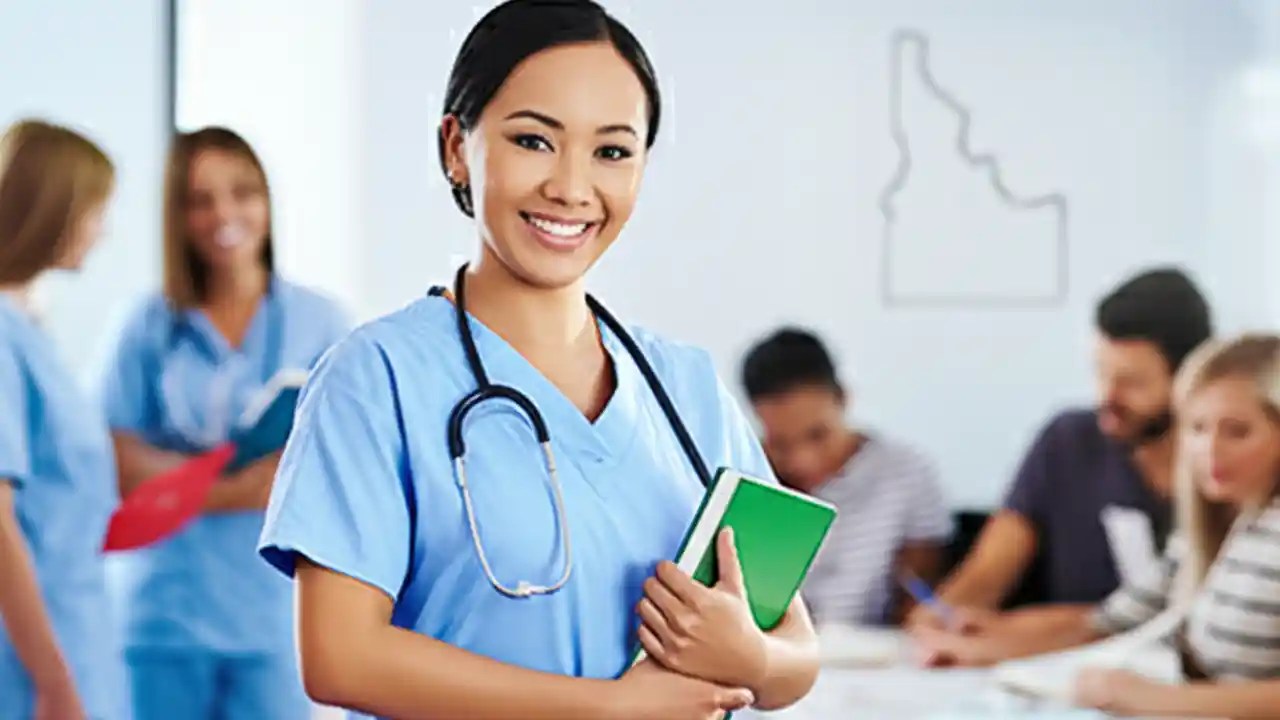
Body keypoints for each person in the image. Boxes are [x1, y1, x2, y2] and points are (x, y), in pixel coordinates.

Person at [255, 2, 821, 718]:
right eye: (533, 140)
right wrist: (610, 709)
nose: (571, 187)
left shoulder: (686, 389)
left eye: (612, 151)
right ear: (458, 147)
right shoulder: (376, 377)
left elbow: (795, 646)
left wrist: (753, 657)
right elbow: (340, 657)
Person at [101, 127, 349, 720]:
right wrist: (238, 489)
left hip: (273, 620)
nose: (224, 214)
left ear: (266, 202)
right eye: (200, 200)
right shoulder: (147, 325)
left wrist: (179, 480)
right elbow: (116, 463)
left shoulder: (320, 322)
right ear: (177, 217)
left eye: (241, 193)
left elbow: (344, 463)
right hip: (163, 622)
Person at [914, 334, 1280, 718]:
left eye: (1237, 431)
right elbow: (1112, 620)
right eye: (1197, 428)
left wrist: (1155, 699)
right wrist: (989, 646)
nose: (1210, 450)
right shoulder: (1220, 529)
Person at [908, 268, 1212, 631]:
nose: (1107, 397)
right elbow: (986, 575)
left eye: (1132, 382)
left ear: (1190, 379)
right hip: (1058, 667)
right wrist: (939, 617)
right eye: (1101, 373)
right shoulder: (1068, 442)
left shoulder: (1223, 466)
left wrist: (1030, 629)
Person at [0, 119, 127, 719]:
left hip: (78, 634)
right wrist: (52, 678)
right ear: (57, 211)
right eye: (96, 211)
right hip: (34, 665)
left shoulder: (30, 331)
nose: (101, 232)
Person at [740, 327, 952, 627]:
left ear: (844, 399)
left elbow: (920, 597)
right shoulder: (748, 480)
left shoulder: (906, 473)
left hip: (872, 656)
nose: (803, 460)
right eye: (781, 443)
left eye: (818, 435)